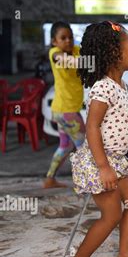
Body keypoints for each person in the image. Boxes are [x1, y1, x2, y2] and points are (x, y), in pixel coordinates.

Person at [67, 21, 128, 257]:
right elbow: (92, 127)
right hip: (101, 161)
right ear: (114, 54)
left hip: (115, 160)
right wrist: (103, 167)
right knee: (111, 214)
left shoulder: (119, 83)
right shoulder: (103, 87)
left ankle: (125, 256)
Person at [44, 22, 85, 189]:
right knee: (84, 147)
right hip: (67, 111)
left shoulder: (76, 51)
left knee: (65, 146)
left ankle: (50, 179)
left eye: (70, 37)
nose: (68, 41)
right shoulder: (55, 54)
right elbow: (68, 61)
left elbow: (85, 57)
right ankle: (86, 182)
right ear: (54, 41)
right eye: (63, 38)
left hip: (63, 110)